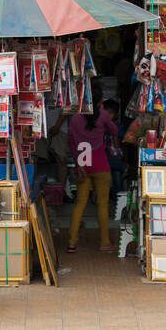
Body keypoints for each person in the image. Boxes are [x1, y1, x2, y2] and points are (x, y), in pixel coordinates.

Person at [67, 83, 120, 253]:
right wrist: (103, 115)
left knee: (80, 204)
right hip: (100, 163)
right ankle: (104, 242)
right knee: (102, 205)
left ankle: (71, 243)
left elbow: (71, 142)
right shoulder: (103, 115)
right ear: (99, 101)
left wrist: (79, 163)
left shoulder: (76, 118)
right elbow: (114, 131)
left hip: (83, 162)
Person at [103, 98, 125, 200]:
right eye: (106, 113)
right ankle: (125, 167)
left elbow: (117, 145)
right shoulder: (100, 125)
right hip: (103, 153)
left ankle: (117, 198)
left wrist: (114, 132)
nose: (108, 116)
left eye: (111, 113)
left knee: (116, 175)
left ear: (116, 114)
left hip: (115, 153)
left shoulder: (118, 126)